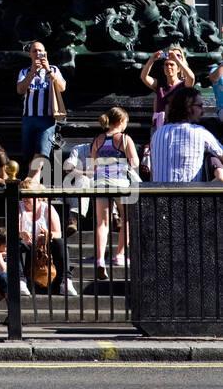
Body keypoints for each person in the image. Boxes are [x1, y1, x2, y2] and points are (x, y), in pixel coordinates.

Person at [89, 107, 138, 279]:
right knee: (127, 219)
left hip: (100, 183)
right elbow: (134, 162)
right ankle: (120, 255)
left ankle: (100, 260)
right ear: (121, 122)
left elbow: (94, 164)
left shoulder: (98, 140)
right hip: (120, 183)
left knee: (102, 223)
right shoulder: (125, 139)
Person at [150, 87, 223, 183]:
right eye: (200, 106)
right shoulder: (199, 132)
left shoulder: (157, 134)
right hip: (189, 192)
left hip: (157, 192)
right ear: (188, 105)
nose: (203, 111)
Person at [17, 40, 67, 166]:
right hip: (29, 117)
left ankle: (32, 176)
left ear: (45, 53)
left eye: (40, 51)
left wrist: (48, 69)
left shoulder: (53, 69)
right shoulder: (24, 72)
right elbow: (20, 90)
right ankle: (33, 177)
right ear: (29, 54)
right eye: (34, 51)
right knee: (29, 154)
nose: (37, 53)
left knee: (41, 152)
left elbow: (62, 87)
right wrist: (32, 72)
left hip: (47, 118)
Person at [141, 48, 195, 130]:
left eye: (172, 64)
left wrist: (176, 59)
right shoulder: (159, 84)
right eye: (166, 65)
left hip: (177, 126)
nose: (168, 67)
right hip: (159, 127)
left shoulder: (183, 85)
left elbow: (191, 77)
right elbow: (143, 77)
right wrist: (152, 59)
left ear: (178, 69)